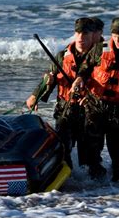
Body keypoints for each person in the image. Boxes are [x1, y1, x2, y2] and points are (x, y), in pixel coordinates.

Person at [79, 17, 119, 182]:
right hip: (96, 105)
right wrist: (79, 79)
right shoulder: (100, 49)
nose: (118, 40)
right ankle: (94, 189)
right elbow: (85, 68)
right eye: (115, 36)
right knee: (92, 149)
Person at [26, 18, 95, 169]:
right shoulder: (62, 56)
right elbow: (51, 76)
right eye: (78, 33)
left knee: (89, 156)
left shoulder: (98, 57)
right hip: (65, 110)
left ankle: (94, 189)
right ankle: (67, 185)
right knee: (62, 150)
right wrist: (36, 95)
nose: (81, 38)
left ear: (92, 35)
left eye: (85, 34)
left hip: (89, 111)